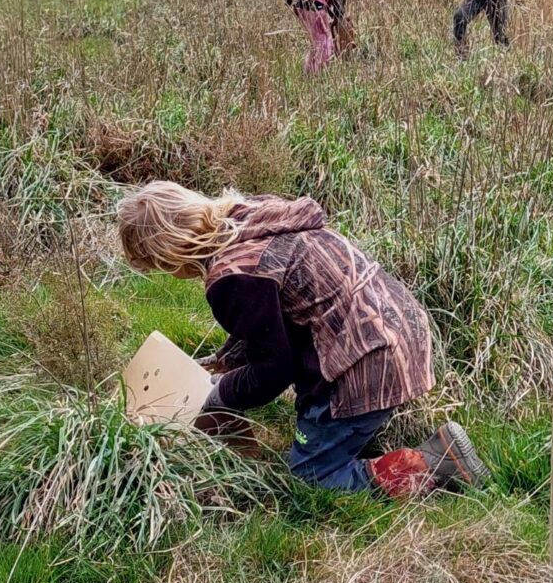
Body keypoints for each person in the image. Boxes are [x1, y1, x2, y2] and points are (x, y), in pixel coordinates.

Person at [115, 181, 485, 498]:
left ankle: (436, 462)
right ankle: (356, 432)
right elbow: (276, 312)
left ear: (169, 253)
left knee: (312, 479)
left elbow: (275, 369)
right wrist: (225, 361)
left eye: (157, 266)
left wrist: (219, 394)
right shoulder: (254, 214)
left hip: (367, 361)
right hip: (399, 322)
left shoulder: (230, 279)